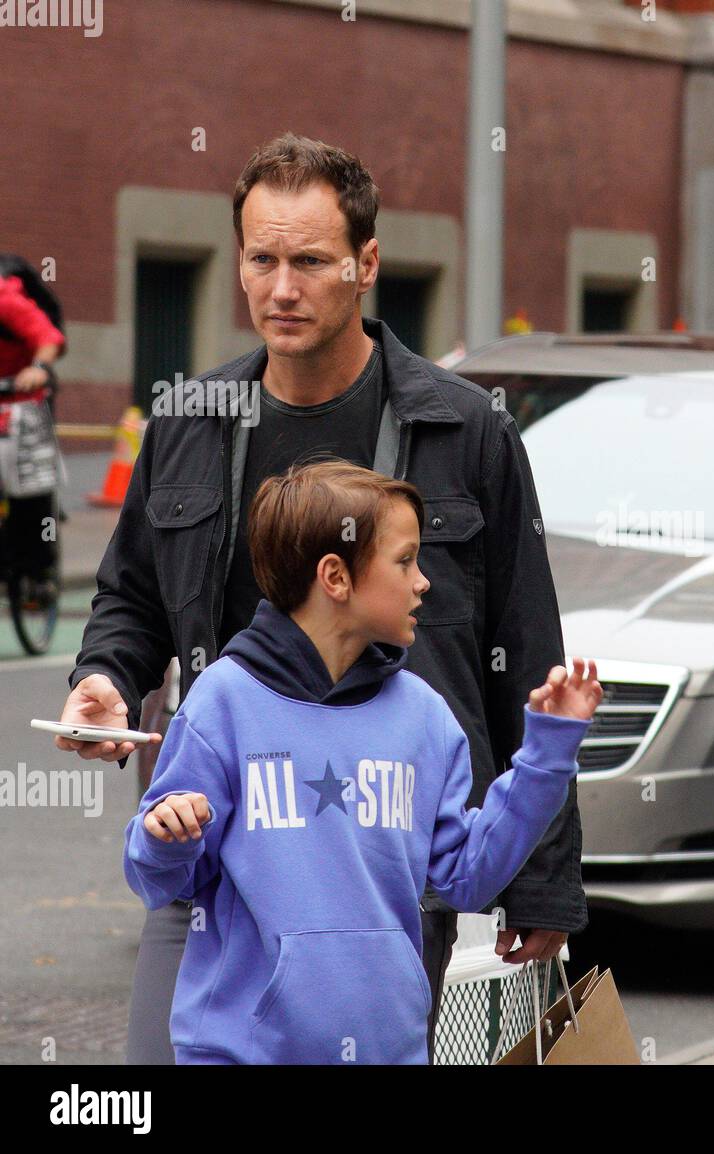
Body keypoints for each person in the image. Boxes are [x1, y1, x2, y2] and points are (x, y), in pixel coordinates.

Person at [52, 132, 584, 1064]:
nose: (281, 288)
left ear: (366, 264)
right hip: (212, 849)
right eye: (261, 260)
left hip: (377, 861)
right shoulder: (188, 419)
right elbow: (131, 595)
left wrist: (539, 885)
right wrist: (103, 675)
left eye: (309, 261)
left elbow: (524, 640)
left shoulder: (463, 428)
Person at [122, 461, 601, 1064]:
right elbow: (158, 879)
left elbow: (470, 877)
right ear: (336, 577)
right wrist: (165, 837)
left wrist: (548, 755)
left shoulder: (426, 718)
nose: (423, 581)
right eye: (405, 561)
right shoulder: (222, 703)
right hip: (240, 1053)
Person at [0, 264, 65, 597]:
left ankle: (39, 571)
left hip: (22, 398)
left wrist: (39, 368)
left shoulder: (6, 299)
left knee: (30, 484)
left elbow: (47, 337)